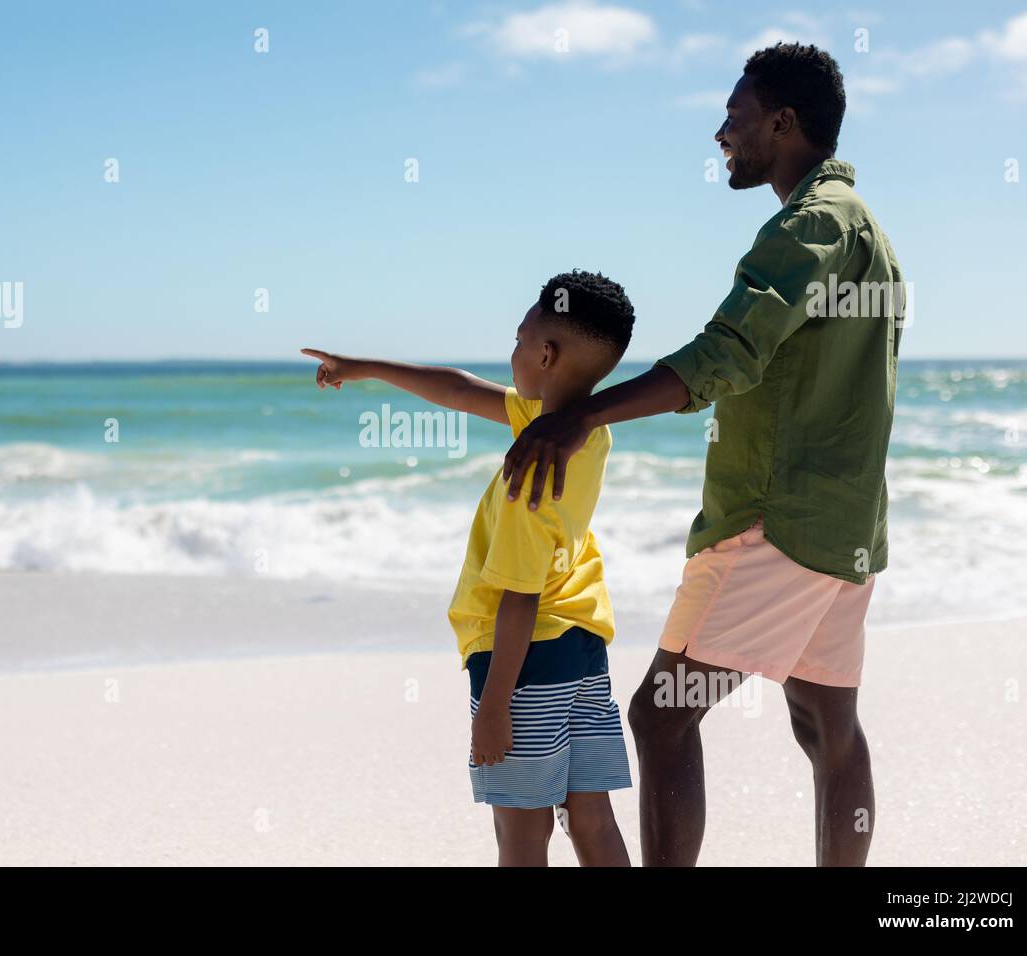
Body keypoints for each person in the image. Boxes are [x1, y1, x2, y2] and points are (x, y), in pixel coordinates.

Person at [500, 44, 904, 867]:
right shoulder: (871, 234)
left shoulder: (811, 226)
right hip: (846, 530)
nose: (722, 132)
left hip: (775, 522)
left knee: (661, 713)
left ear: (783, 122)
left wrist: (582, 417)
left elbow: (730, 352)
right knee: (829, 726)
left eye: (736, 115)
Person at [302, 270, 637, 866]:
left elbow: (519, 596)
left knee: (522, 831)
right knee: (591, 817)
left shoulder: (532, 464)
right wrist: (367, 367)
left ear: (546, 353)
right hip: (583, 644)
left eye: (517, 339)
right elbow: (458, 391)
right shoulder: (585, 428)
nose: (510, 353)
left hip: (523, 659)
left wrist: (495, 707)